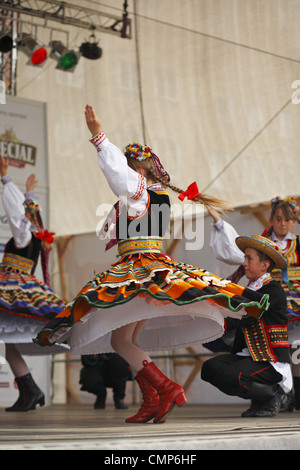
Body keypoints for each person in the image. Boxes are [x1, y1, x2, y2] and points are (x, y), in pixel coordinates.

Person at [34, 104, 270, 424]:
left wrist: (99, 138)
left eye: (132, 171)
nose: (129, 176)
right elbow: (118, 215)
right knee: (126, 341)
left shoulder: (139, 190)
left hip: (138, 271)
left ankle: (166, 388)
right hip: (152, 270)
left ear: (140, 173)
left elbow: (120, 177)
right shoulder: (156, 196)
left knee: (120, 341)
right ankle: (152, 400)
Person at [209, 198, 300, 410]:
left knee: (295, 348)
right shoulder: (260, 243)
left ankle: (290, 395)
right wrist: (219, 223)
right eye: (278, 219)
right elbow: (235, 251)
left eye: (288, 219)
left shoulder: (297, 243)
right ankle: (273, 396)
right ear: (271, 219)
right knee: (260, 342)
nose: (283, 224)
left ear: (294, 221)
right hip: (267, 294)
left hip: (290, 297)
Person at [0, 154, 66, 411]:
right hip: (22, 285)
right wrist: (28, 193)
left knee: (7, 344)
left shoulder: (23, 237)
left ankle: (31, 390)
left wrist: (6, 180)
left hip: (11, 286)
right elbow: (26, 215)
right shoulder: (38, 237)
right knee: (7, 343)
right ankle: (30, 390)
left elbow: (17, 216)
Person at [201, 235, 292, 417]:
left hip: (270, 361)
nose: (244, 263)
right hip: (250, 358)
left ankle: (274, 395)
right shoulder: (251, 290)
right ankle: (261, 400)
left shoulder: (272, 291)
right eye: (245, 258)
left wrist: (217, 317)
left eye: (249, 258)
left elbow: (245, 316)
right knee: (210, 369)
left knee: (232, 375)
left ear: (264, 265)